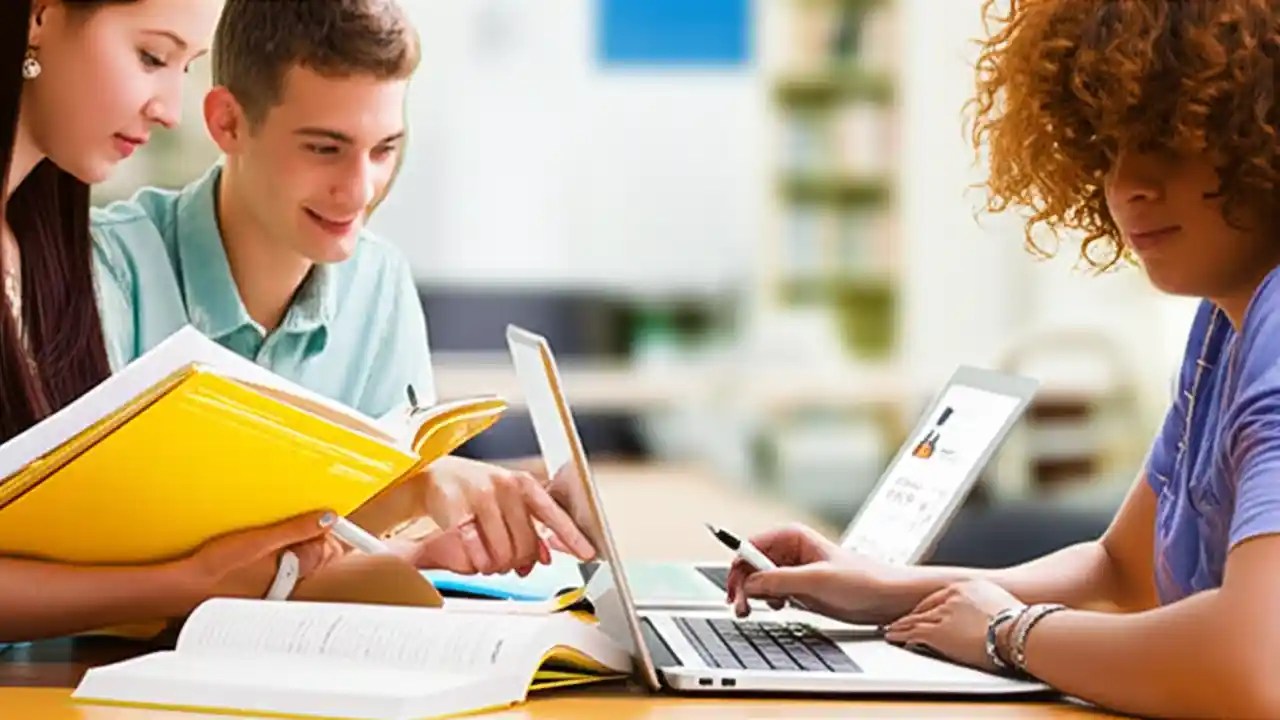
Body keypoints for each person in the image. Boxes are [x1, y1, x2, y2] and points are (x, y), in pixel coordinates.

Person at [727, 1, 1280, 717]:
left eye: (1169, 140)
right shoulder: (1225, 325)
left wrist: (1008, 632)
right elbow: (1121, 571)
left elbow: (1252, 664)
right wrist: (874, 585)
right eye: (1108, 146)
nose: (1126, 185)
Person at [90, 0, 594, 579]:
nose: (359, 191)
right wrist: (409, 491)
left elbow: (350, 546)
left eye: (384, 150)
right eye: (325, 149)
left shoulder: (380, 286)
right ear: (228, 123)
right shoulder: (110, 268)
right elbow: (126, 549)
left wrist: (424, 544)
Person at [0, 0, 363, 644]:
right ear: (39, 17)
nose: (169, 108)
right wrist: (189, 581)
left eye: (185, 67)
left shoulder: (46, 248)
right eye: (151, 57)